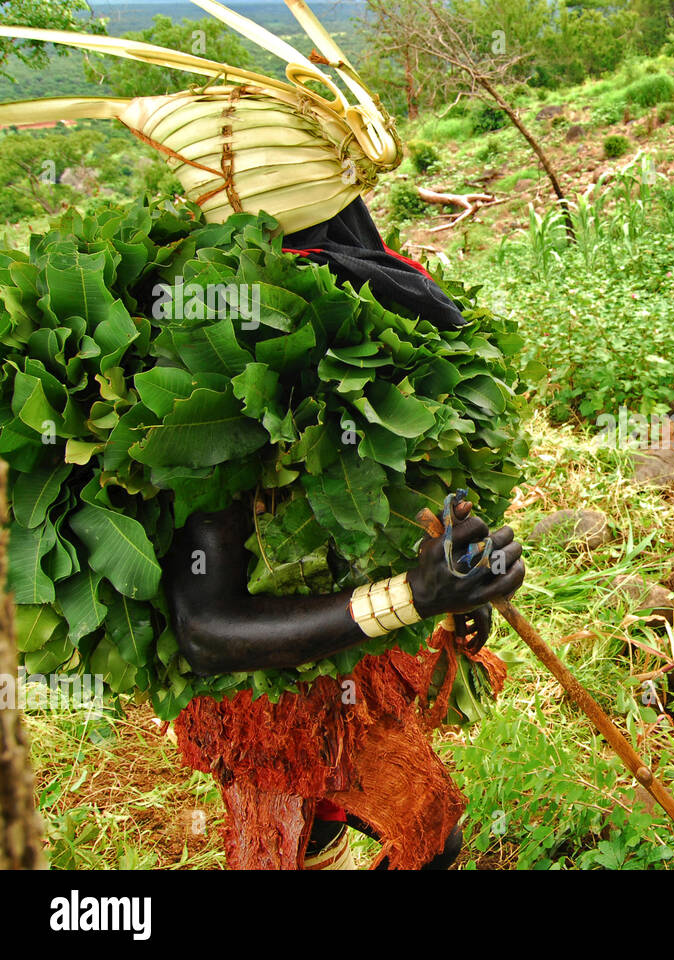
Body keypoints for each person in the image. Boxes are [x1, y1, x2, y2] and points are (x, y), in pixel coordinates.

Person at [164, 199, 527, 871]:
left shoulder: (388, 337)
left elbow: (408, 508)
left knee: (426, 832)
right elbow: (207, 633)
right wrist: (413, 598)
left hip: (353, 671)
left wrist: (464, 588)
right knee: (296, 837)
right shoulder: (222, 390)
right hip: (268, 699)